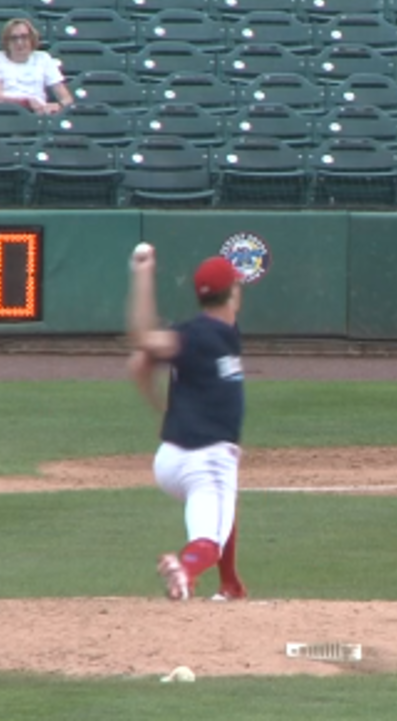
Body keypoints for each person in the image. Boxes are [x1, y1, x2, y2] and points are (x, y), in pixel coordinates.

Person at [126, 245, 250, 602]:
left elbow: (139, 364)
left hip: (173, 458)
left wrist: (161, 407)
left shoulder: (216, 331)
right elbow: (141, 343)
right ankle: (185, 570)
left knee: (223, 500)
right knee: (208, 542)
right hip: (204, 458)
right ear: (234, 292)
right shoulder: (195, 336)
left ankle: (230, 584)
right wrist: (143, 273)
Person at [0, 17, 74, 116]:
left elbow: (66, 98)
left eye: (24, 37)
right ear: (6, 42)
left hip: (37, 114)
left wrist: (58, 106)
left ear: (32, 38)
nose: (19, 42)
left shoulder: (43, 58)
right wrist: (26, 102)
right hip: (1, 113)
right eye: (13, 38)